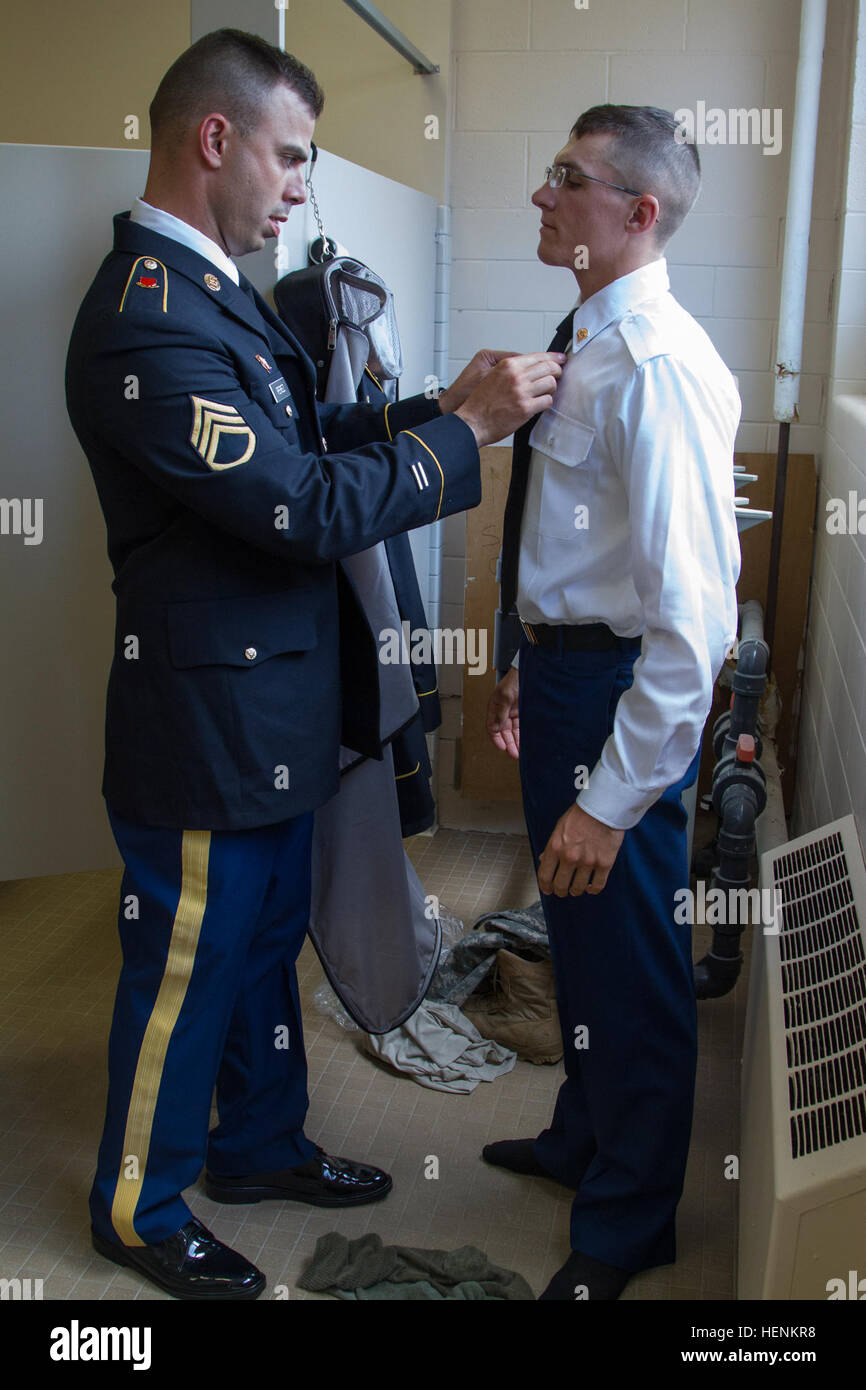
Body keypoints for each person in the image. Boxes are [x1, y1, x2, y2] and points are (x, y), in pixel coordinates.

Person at [65, 27, 564, 1300]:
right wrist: (464, 434)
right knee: (186, 971)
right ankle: (139, 1206)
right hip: (204, 730)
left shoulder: (216, 292)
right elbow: (300, 504)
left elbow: (310, 428)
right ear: (212, 139)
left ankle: (257, 1143)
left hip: (271, 709)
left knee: (260, 942)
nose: (301, 188)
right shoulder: (142, 320)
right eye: (290, 157)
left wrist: (419, 407)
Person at [485, 105, 741, 1301]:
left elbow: (691, 631)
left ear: (637, 213)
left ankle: (630, 1218)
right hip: (568, 672)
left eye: (566, 179)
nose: (541, 196)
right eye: (549, 172)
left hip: (622, 696)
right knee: (575, 932)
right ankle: (582, 1140)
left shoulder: (656, 365)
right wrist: (523, 653)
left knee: (629, 960)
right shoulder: (587, 334)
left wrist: (612, 796)